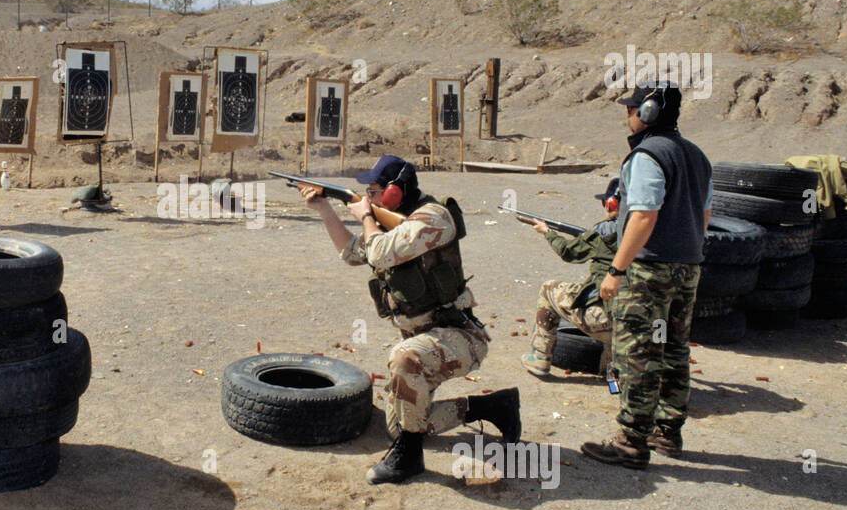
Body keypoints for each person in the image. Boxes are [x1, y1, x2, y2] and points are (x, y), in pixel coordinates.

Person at [300, 155, 521, 484]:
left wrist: (365, 217)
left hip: (458, 337)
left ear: (392, 192)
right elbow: (350, 253)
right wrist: (324, 208)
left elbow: (379, 252)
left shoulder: (434, 217)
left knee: (405, 358)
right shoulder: (390, 223)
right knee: (399, 424)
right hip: (426, 341)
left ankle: (409, 458)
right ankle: (491, 407)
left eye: (374, 191)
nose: (370, 198)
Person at [581, 81, 712, 469]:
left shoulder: (647, 155)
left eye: (632, 108)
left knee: (638, 351)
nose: (628, 115)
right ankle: (667, 432)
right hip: (687, 267)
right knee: (674, 348)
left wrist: (617, 269)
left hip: (649, 270)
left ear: (649, 113)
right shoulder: (697, 156)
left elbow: (643, 215)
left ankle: (631, 440)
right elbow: (703, 217)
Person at [520, 178, 620, 377]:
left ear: (612, 203)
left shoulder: (605, 232)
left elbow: (568, 252)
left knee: (549, 289)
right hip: (637, 323)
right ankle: (612, 375)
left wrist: (547, 232)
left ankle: (540, 357)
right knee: (616, 308)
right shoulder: (649, 234)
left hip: (602, 320)